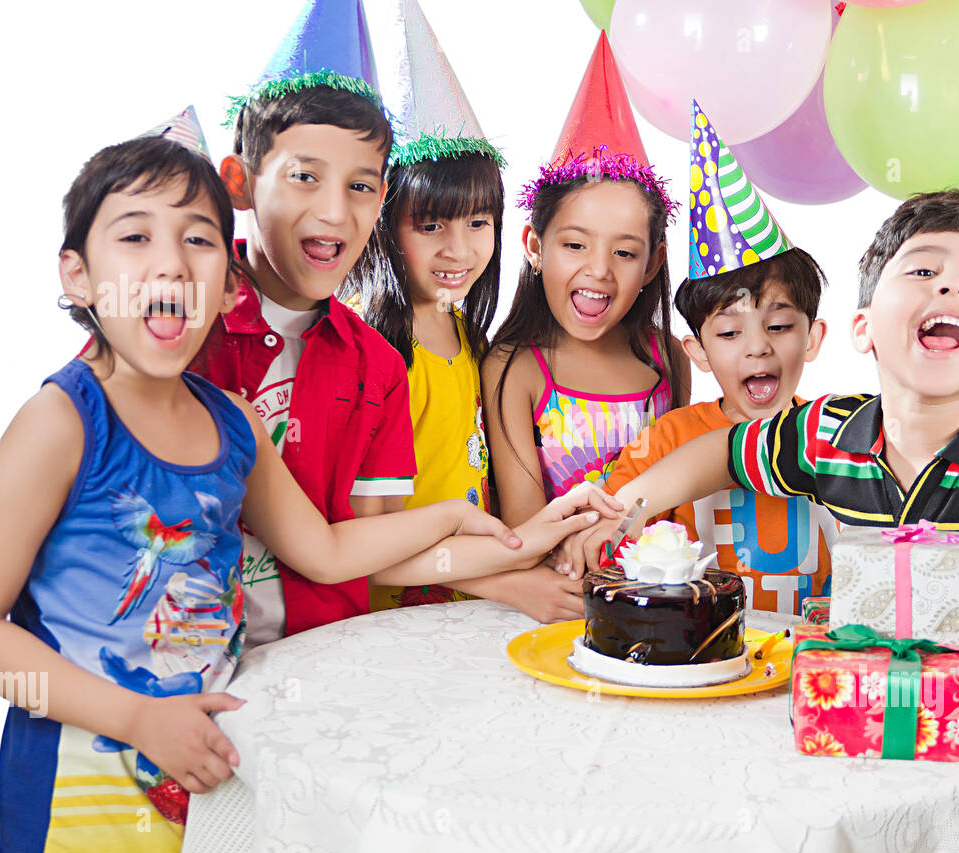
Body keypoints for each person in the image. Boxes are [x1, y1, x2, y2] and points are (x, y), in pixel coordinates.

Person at [0, 120, 620, 853]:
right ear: (76, 275)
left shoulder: (233, 425)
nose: (170, 264)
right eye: (135, 238)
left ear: (228, 280)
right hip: (83, 784)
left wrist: (463, 516)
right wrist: (135, 717)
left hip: (211, 765)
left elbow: (326, 551)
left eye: (198, 239)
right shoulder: (62, 421)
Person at [569, 187, 959, 853]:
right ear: (863, 327)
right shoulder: (827, 433)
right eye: (922, 270)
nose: (952, 286)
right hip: (893, 708)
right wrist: (630, 507)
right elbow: (723, 453)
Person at [345, 0, 590, 621]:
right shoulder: (379, 352)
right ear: (384, 224)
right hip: (397, 623)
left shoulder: (467, 336)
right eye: (431, 225)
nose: (460, 249)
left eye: (480, 222)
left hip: (465, 609)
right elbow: (371, 552)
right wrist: (506, 582)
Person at [187, 0, 415, 645]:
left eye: (361, 186)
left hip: (320, 668)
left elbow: (370, 545)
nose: (336, 212)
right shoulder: (173, 333)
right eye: (305, 177)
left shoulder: (379, 367)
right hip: (177, 674)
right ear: (240, 182)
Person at [598, 102, 837, 616]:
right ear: (699, 352)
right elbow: (610, 529)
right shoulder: (667, 442)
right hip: (700, 655)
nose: (758, 347)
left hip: (814, 667)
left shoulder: (840, 438)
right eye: (730, 332)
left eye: (778, 326)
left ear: (813, 337)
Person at [482, 31, 690, 532]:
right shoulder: (515, 367)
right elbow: (524, 528)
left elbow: (681, 498)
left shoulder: (669, 359)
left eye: (624, 252)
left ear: (654, 264)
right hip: (561, 595)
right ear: (534, 246)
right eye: (575, 245)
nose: (598, 270)